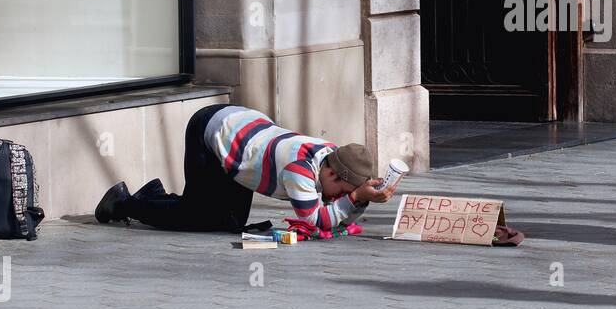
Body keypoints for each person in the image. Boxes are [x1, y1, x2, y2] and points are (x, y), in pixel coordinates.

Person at [94, 104, 396, 236]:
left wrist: (361, 196)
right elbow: (318, 221)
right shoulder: (300, 169)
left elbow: (338, 207)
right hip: (210, 133)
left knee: (229, 220)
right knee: (197, 217)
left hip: (241, 133)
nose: (336, 199)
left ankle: (154, 195)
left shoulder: (331, 155)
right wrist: (355, 198)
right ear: (332, 174)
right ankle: (123, 203)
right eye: (340, 192)